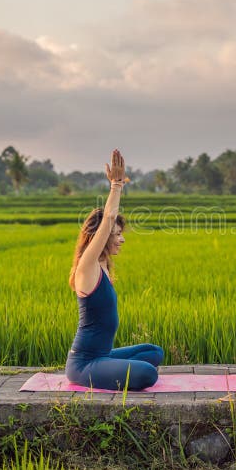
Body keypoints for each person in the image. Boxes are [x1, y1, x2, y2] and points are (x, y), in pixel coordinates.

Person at [65, 149, 164, 390]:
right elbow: (108, 217)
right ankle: (106, 369)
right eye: (116, 235)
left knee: (154, 352)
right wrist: (116, 185)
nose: (122, 239)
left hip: (103, 355)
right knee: (147, 374)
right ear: (100, 236)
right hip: (84, 363)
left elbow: (111, 222)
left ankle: (109, 366)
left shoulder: (103, 266)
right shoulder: (87, 266)